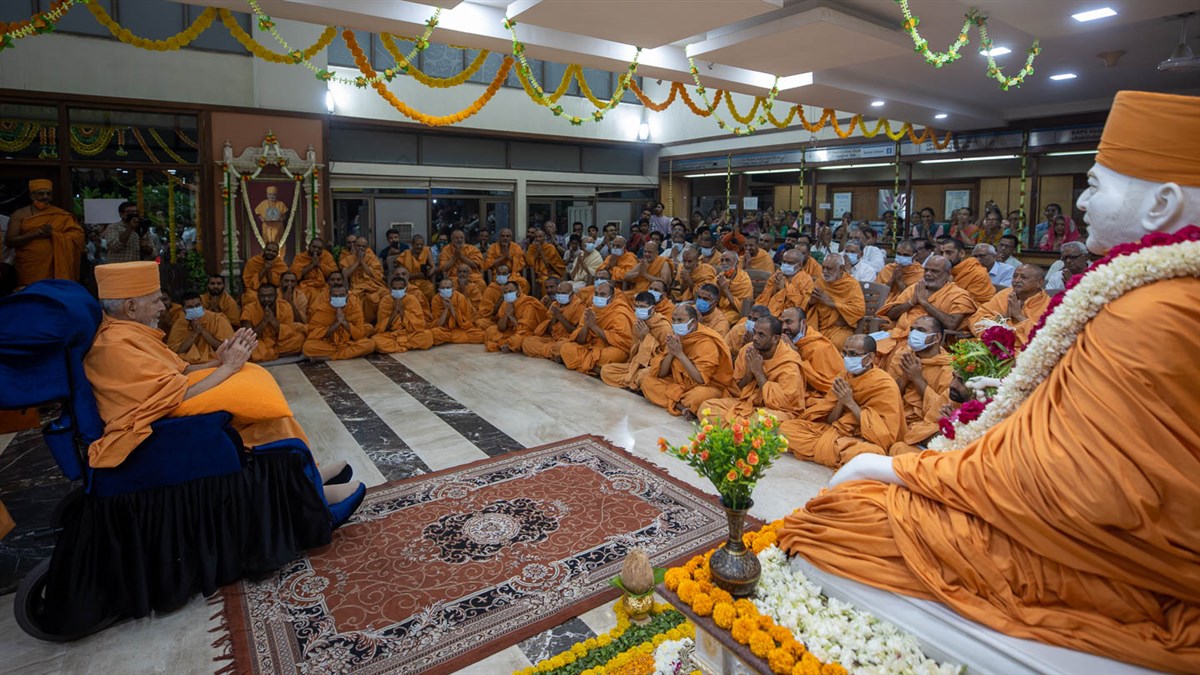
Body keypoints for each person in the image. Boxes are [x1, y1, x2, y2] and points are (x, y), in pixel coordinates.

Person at [777, 90, 1200, 672]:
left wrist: (910, 467)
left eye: (1097, 184)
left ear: (1163, 206)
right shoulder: (1157, 297)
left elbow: (1077, 486)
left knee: (839, 518)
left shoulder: (1152, 311)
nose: (1081, 203)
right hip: (1077, 516)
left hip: (1101, 548)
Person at [780, 334, 905, 468]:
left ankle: (826, 450)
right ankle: (832, 453)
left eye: (853, 354)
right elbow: (830, 420)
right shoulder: (843, 376)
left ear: (870, 358)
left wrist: (850, 402)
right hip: (836, 435)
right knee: (786, 428)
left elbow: (884, 438)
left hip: (862, 440)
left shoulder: (885, 385)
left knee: (873, 453)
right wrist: (841, 402)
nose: (847, 358)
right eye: (845, 353)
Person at [702, 315, 805, 423]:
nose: (755, 337)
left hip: (774, 410)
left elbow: (784, 403)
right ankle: (742, 430)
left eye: (761, 335)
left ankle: (736, 428)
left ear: (775, 339)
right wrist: (748, 374)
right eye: (755, 332)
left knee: (762, 420)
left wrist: (758, 373)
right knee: (706, 407)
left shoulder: (789, 362)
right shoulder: (749, 350)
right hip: (747, 404)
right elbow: (735, 389)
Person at [875, 256, 976, 365]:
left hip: (929, 343)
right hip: (898, 336)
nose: (928, 274)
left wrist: (924, 303)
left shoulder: (958, 295)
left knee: (900, 357)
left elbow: (951, 324)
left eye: (934, 271)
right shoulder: (916, 288)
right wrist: (910, 303)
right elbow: (891, 314)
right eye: (926, 270)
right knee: (869, 349)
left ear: (947, 274)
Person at [641, 303, 734, 417]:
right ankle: (681, 406)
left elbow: (701, 380)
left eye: (680, 320)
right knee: (647, 382)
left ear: (693, 323)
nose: (675, 324)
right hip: (679, 383)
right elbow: (661, 373)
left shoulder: (706, 342)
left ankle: (679, 403)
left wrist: (680, 354)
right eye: (674, 320)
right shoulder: (676, 336)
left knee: (698, 397)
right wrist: (671, 353)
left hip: (705, 387)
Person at [6, 179, 84, 287]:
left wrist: (54, 235)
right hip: (30, 267)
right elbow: (9, 240)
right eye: (41, 193)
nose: (45, 197)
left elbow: (78, 237)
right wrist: (35, 234)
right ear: (32, 195)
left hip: (55, 267)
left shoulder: (61, 215)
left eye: (48, 193)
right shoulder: (20, 214)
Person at [885, 315, 952, 442]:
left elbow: (940, 409)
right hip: (897, 416)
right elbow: (888, 395)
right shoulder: (903, 355)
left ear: (937, 337)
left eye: (921, 330)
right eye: (912, 329)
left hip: (925, 422)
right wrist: (905, 378)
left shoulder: (947, 367)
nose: (914, 333)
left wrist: (917, 379)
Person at [599, 291, 674, 392]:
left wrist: (646, 337)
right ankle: (633, 383)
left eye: (643, 307)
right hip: (636, 364)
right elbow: (634, 349)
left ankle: (633, 381)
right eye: (637, 306)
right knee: (606, 370)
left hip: (652, 367)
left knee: (643, 376)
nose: (639, 310)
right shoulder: (638, 322)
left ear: (652, 308)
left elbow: (665, 355)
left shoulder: (663, 327)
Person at [558, 281, 635, 375]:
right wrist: (586, 326)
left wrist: (594, 327)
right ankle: (596, 369)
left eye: (602, 294)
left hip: (610, 348)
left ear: (612, 297)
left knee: (614, 355)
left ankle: (584, 364)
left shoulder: (620, 312)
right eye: (596, 294)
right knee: (566, 348)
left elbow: (622, 341)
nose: (598, 297)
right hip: (591, 348)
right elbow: (580, 341)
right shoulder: (591, 310)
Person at [969, 264, 1049, 348]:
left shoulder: (1048, 305)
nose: (1017, 280)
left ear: (1039, 282)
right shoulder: (1005, 294)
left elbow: (1045, 337)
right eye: (1015, 276)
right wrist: (1004, 317)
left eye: (1023, 277)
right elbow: (976, 319)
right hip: (995, 347)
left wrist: (1019, 316)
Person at [780, 306, 842, 403]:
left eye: (789, 322)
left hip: (818, 395)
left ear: (803, 322)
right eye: (781, 323)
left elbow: (827, 384)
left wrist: (795, 354)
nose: (783, 327)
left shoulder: (819, 347)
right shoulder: (782, 341)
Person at [302, 282, 375, 361]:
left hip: (349, 342)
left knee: (370, 344)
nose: (338, 298)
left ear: (347, 296)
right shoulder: (324, 309)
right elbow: (313, 333)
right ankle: (345, 353)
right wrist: (335, 324)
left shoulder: (354, 308)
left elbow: (359, 334)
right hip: (329, 343)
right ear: (330, 296)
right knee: (307, 347)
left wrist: (344, 323)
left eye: (341, 295)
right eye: (335, 296)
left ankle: (329, 357)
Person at [808, 254, 865, 349]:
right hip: (817, 326)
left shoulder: (851, 285)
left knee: (835, 343)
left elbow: (859, 310)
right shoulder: (820, 282)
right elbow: (807, 305)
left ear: (841, 268)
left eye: (829, 268)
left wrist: (832, 303)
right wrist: (811, 302)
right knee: (807, 340)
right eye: (823, 268)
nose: (825, 272)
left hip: (840, 328)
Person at [240, 283, 305, 362]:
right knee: (247, 347)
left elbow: (288, 332)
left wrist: (273, 321)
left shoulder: (285, 306)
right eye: (263, 296)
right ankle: (277, 353)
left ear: (276, 295)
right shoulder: (249, 309)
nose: (266, 299)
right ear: (258, 296)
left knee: (300, 339)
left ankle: (269, 353)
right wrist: (264, 322)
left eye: (270, 296)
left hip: (279, 342)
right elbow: (248, 337)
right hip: (260, 342)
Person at [521, 281, 585, 361]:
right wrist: (554, 319)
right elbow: (549, 331)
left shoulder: (579, 306)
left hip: (567, 340)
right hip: (553, 340)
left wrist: (560, 317)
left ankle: (557, 353)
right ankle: (555, 355)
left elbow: (575, 332)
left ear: (571, 294)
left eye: (563, 293)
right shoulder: (555, 304)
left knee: (564, 348)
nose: (560, 295)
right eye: (558, 293)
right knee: (527, 342)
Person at [371, 276, 433, 354]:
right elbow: (382, 326)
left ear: (405, 289)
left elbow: (418, 325)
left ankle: (398, 345)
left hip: (409, 333)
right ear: (390, 289)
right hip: (391, 334)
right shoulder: (386, 300)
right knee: (376, 341)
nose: (397, 290)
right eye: (395, 288)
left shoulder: (411, 299)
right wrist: (395, 311)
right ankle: (406, 345)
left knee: (428, 336)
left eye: (400, 288)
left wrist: (402, 312)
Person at [168, 291, 235, 364]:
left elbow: (226, 346)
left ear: (202, 305)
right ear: (183, 309)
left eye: (197, 305)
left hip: (214, 361)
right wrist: (195, 333)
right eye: (190, 307)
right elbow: (176, 351)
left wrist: (202, 331)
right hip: (189, 364)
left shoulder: (217, 319)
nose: (194, 309)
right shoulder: (180, 323)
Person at [483, 280, 547, 353]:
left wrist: (511, 317)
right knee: (490, 330)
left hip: (525, 332)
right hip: (510, 331)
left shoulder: (528, 304)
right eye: (505, 293)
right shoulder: (506, 303)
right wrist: (506, 315)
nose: (507, 294)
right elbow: (500, 327)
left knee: (518, 340)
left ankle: (508, 344)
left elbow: (524, 330)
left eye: (510, 291)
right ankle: (507, 344)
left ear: (518, 292)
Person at [755, 247, 813, 317]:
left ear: (800, 265)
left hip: (787, 316)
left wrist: (785, 288)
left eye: (790, 263)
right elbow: (765, 296)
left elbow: (801, 304)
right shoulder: (777, 274)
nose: (786, 264)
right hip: (768, 311)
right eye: (784, 261)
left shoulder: (805, 280)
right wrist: (775, 288)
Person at [937, 237, 994, 304]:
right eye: (941, 253)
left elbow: (972, 304)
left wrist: (950, 286)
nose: (944, 256)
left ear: (962, 253)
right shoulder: (940, 270)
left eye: (949, 252)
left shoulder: (977, 273)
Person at [431, 278, 485, 345]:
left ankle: (448, 338)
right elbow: (438, 324)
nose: (445, 290)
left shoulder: (460, 297)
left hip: (459, 328)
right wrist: (446, 309)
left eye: (448, 288)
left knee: (479, 335)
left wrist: (451, 307)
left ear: (453, 289)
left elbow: (464, 322)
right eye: (443, 288)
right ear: (439, 290)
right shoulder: (436, 300)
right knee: (434, 333)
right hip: (444, 329)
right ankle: (451, 337)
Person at [291, 237, 338, 305]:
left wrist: (319, 264)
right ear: (309, 246)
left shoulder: (326, 256)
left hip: (323, 286)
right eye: (314, 247)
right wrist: (312, 265)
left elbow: (333, 273)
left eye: (319, 248)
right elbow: (296, 275)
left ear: (322, 249)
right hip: (305, 286)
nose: (316, 250)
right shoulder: (300, 257)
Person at [525, 228, 566, 295]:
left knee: (555, 279)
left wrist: (541, 252)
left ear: (544, 237)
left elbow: (550, 265)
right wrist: (537, 253)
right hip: (538, 274)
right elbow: (530, 263)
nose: (538, 239)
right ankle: (546, 300)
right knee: (545, 280)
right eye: (536, 237)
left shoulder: (550, 247)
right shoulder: (532, 248)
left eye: (540, 236)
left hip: (551, 272)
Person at [394, 234, 435, 299]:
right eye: (417, 244)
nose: (419, 246)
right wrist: (414, 275)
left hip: (422, 280)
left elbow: (433, 267)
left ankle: (427, 307)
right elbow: (401, 273)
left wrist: (429, 273)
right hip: (409, 281)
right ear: (412, 244)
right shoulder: (406, 254)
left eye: (421, 244)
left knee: (430, 288)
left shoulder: (426, 251)